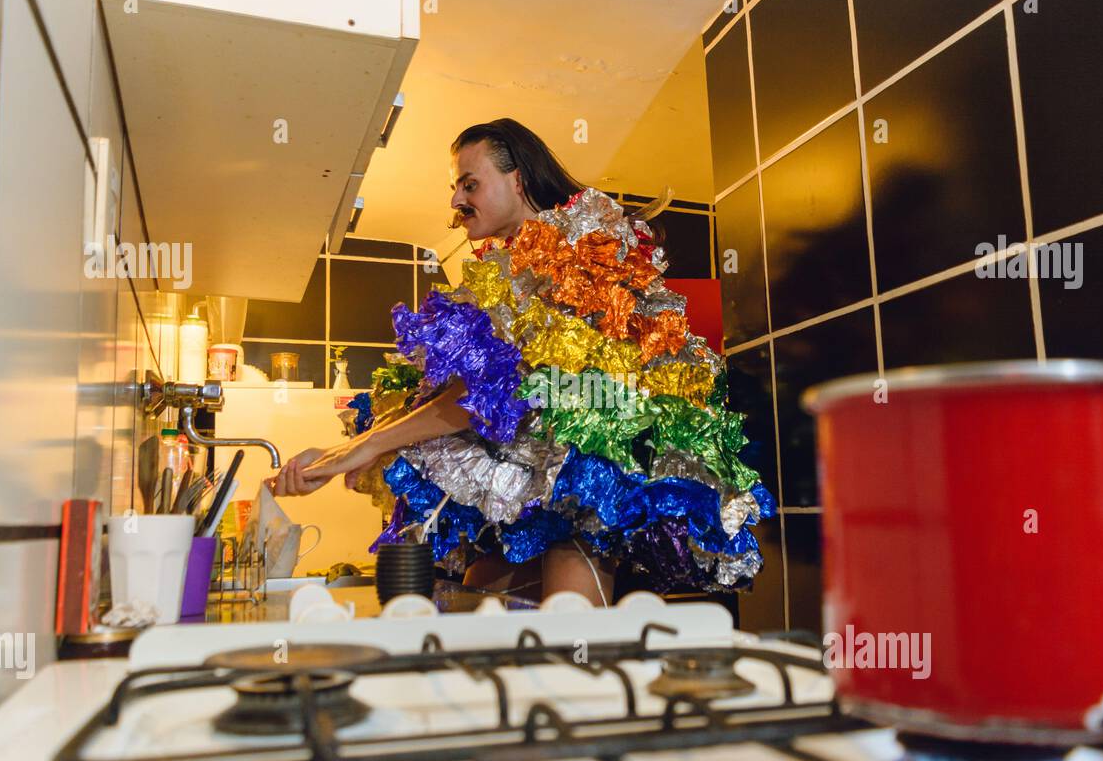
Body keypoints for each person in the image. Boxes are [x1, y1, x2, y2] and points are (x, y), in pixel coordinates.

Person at [272, 119, 772, 607]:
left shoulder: (580, 252)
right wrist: (349, 447)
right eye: (455, 186)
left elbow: (497, 390)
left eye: (470, 183)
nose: (455, 200)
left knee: (560, 653)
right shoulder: (512, 270)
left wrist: (361, 448)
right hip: (541, 491)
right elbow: (449, 396)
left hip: (583, 491)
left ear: (519, 179)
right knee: (476, 615)